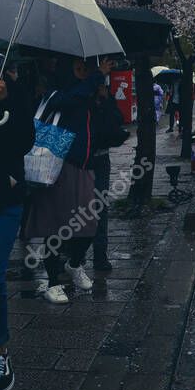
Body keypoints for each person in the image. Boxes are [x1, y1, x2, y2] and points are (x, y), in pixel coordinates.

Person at [25, 56, 113, 303]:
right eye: (77, 68)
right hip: (54, 168)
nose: (84, 71)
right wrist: (96, 76)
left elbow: (111, 125)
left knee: (88, 224)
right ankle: (53, 281)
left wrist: (103, 96)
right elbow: (69, 100)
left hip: (83, 167)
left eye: (85, 67)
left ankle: (74, 264)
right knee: (55, 227)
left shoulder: (89, 95)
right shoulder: (55, 94)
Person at [0, 56, 35, 390]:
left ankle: (0, 351)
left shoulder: (12, 89)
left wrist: (5, 103)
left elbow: (24, 140)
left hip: (4, 200)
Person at [91, 77, 130, 272]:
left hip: (101, 158)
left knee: (100, 205)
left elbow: (117, 121)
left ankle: (100, 255)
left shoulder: (107, 99)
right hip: (81, 159)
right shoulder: (81, 98)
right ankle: (74, 254)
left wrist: (106, 100)